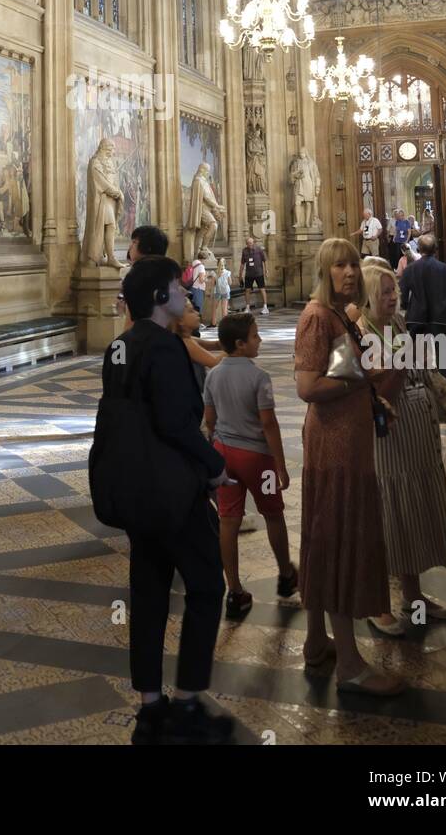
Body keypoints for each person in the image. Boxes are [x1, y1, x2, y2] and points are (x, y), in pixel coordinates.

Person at [106, 257, 234, 746]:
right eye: (178, 289)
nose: (185, 295)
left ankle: (149, 709)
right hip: (174, 493)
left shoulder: (119, 347)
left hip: (135, 491)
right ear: (160, 299)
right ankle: (186, 704)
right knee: (205, 587)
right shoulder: (166, 350)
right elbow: (178, 423)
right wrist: (214, 466)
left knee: (149, 596)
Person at [294, 238, 404, 696]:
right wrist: (357, 379)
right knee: (338, 535)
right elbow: (308, 385)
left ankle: (319, 642)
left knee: (325, 532)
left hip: (350, 439)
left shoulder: (341, 314)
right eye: (340, 265)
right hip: (335, 443)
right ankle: (351, 666)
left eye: (354, 265)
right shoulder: (318, 316)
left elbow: (358, 369)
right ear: (325, 270)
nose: (350, 273)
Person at [358, 265, 446, 637]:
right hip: (390, 438)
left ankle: (414, 601)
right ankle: (378, 605)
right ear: (368, 294)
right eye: (384, 291)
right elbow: (378, 389)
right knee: (391, 518)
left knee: (414, 514)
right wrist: (402, 360)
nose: (393, 295)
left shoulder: (397, 324)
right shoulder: (361, 333)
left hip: (417, 436)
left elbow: (411, 366)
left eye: (394, 289)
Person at [203, 312, 297, 620]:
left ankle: (235, 590)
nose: (260, 340)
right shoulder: (259, 377)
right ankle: (285, 575)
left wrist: (216, 442)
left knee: (228, 522)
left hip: (224, 455)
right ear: (241, 344)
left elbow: (210, 419)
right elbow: (268, 424)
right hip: (258, 459)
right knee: (273, 514)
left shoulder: (213, 374)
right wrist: (280, 466)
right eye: (256, 336)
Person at [399, 235, 446, 381]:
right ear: (436, 250)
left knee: (416, 354)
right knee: (443, 356)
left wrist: (407, 307)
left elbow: (402, 294)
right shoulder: (444, 269)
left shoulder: (411, 269)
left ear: (419, 249)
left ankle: (418, 383)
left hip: (417, 317)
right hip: (441, 317)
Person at [117, 225, 168, 324]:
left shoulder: (139, 279)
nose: (130, 246)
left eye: (134, 242)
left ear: (148, 248)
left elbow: (131, 326)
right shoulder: (164, 272)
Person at [239, 235, 268, 314]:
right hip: (249, 274)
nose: (250, 244)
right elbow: (242, 263)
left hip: (259, 273)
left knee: (262, 289)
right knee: (247, 290)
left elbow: (264, 260)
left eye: (251, 243)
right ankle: (247, 307)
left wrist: (266, 270)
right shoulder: (244, 251)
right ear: (246, 244)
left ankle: (265, 307)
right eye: (248, 243)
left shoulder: (259, 250)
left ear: (254, 243)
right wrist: (240, 274)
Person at [212, 257, 231, 326]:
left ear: (217, 264)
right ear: (224, 264)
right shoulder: (227, 272)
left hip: (217, 291)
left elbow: (213, 284)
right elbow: (230, 283)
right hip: (225, 291)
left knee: (214, 308)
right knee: (224, 308)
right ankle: (225, 324)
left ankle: (213, 323)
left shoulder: (214, 273)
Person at [189, 252, 207, 317]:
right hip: (198, 288)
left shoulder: (193, 263)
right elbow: (201, 280)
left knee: (193, 307)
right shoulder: (201, 266)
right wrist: (206, 277)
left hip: (192, 287)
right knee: (198, 307)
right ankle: (198, 324)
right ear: (203, 259)